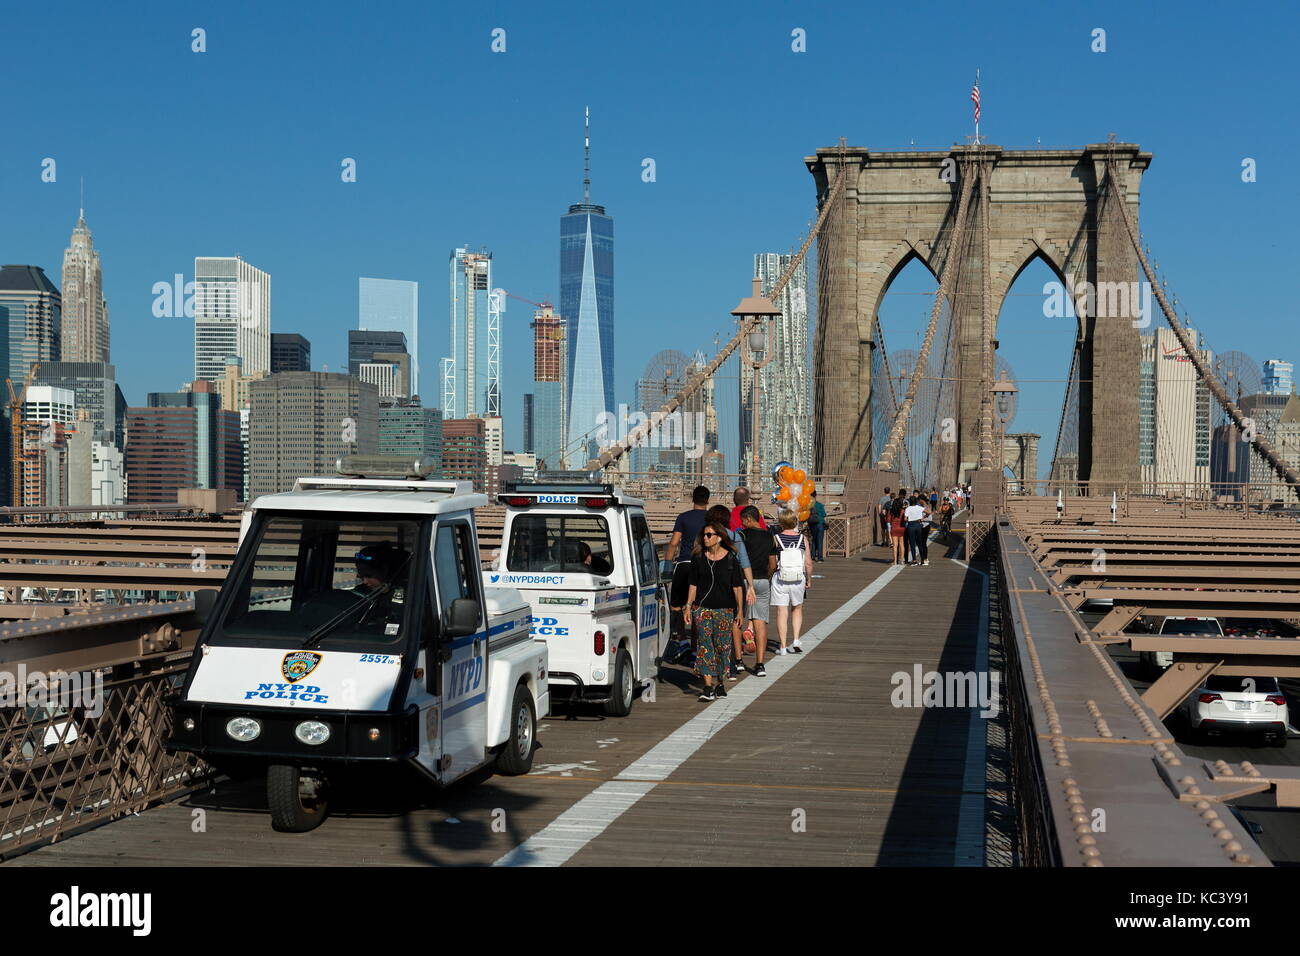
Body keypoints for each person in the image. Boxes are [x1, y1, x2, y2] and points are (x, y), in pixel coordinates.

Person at [684, 521, 744, 702]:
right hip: (702, 608)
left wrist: (740, 611)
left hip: (724, 609)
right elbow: (693, 584)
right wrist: (688, 606)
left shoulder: (731, 558)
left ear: (719, 537)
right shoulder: (698, 557)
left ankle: (720, 683)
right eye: (704, 534)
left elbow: (737, 587)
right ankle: (708, 687)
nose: (705, 538)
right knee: (705, 645)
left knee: (722, 647)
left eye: (709, 535)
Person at [709, 504, 756, 678]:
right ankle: (736, 660)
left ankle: (717, 660)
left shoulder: (707, 537)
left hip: (713, 585)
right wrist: (750, 586)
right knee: (735, 621)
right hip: (735, 583)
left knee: (714, 623)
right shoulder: (735, 536)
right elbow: (745, 563)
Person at [666, 485, 710, 653]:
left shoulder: (683, 517)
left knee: (676, 605)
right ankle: (695, 646)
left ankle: (682, 641)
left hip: (684, 564)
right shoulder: (711, 519)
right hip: (704, 565)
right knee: (698, 606)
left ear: (693, 498)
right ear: (707, 500)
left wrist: (667, 566)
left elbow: (673, 543)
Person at [738, 505, 775, 677]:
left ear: (748, 519)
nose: (742, 524)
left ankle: (738, 661)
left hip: (745, 582)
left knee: (737, 618)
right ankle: (760, 665)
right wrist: (766, 577)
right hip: (762, 581)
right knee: (760, 623)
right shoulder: (769, 537)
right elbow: (773, 565)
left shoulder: (742, 535)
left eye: (743, 520)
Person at [770, 510, 812, 655]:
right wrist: (809, 579)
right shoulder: (803, 539)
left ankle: (782, 647)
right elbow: (808, 562)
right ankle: (795, 639)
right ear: (795, 522)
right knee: (797, 608)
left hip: (780, 578)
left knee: (782, 611)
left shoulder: (775, 539)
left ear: (781, 523)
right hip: (798, 578)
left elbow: (772, 561)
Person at [904, 494, 930, 567]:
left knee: (912, 543)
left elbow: (905, 519)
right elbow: (928, 512)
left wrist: (910, 518)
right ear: (916, 501)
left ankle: (914, 560)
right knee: (920, 543)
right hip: (918, 525)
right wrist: (923, 518)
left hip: (911, 526)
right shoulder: (919, 507)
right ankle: (922, 560)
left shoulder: (908, 508)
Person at [807, 491, 827, 561]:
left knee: (813, 540)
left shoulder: (809, 505)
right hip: (820, 524)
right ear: (816, 495)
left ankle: (812, 556)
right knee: (820, 541)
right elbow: (824, 515)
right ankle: (820, 558)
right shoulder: (820, 505)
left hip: (812, 524)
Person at [889, 495, 908, 567]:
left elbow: (890, 521)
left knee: (895, 546)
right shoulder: (903, 511)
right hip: (901, 528)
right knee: (902, 545)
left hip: (894, 528)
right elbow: (906, 518)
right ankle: (902, 560)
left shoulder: (892, 512)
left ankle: (895, 561)